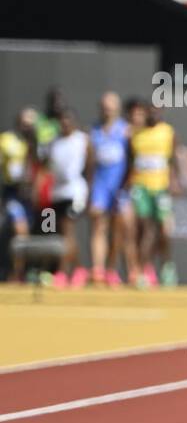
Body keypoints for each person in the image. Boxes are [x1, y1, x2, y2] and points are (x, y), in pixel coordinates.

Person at [126, 99, 177, 288]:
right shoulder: (134, 134)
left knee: (164, 230)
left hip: (161, 188)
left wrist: (174, 181)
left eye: (157, 110)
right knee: (145, 230)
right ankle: (141, 271)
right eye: (150, 111)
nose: (154, 114)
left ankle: (166, 265)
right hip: (141, 188)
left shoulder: (168, 132)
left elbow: (173, 159)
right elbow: (130, 162)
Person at [88, 91, 130, 286]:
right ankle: (97, 269)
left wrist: (127, 185)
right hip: (100, 185)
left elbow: (132, 159)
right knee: (98, 226)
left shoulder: (125, 131)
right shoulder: (94, 131)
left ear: (117, 109)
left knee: (118, 229)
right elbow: (89, 162)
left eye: (111, 107)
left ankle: (111, 269)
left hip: (119, 186)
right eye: (104, 107)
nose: (107, 110)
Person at [47, 108, 91, 288]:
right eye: (62, 120)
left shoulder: (82, 140)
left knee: (68, 229)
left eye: (68, 119)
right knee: (61, 232)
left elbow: (91, 166)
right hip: (58, 193)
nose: (65, 123)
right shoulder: (54, 143)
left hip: (76, 193)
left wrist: (90, 190)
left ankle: (63, 271)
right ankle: (79, 269)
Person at [1, 107, 37, 283]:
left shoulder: (39, 145)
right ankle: (18, 272)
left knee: (48, 229)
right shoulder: (6, 140)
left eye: (31, 125)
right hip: (13, 193)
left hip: (41, 199)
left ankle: (46, 272)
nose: (27, 128)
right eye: (24, 124)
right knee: (20, 230)